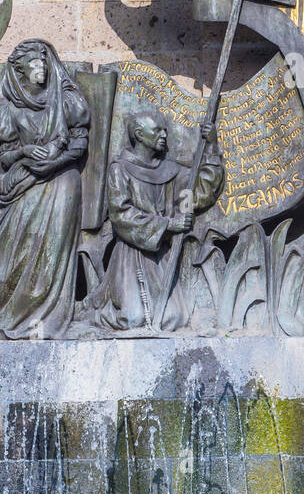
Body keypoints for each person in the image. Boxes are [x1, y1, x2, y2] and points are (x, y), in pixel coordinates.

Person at [0, 39, 90, 339]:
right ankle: (11, 310)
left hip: (62, 179)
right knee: (19, 246)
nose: (41, 69)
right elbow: (4, 156)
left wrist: (54, 162)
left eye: (44, 63)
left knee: (54, 247)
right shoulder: (8, 112)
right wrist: (27, 155)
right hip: (24, 181)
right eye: (34, 65)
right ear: (20, 72)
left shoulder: (67, 101)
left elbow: (80, 144)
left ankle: (50, 314)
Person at [87, 109, 222, 332]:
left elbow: (200, 192)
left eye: (165, 131)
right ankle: (99, 311)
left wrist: (211, 148)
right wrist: (168, 225)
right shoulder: (119, 169)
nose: (164, 136)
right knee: (133, 318)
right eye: (157, 130)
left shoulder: (170, 171)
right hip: (130, 256)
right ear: (140, 135)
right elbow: (121, 215)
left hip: (160, 257)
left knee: (173, 318)